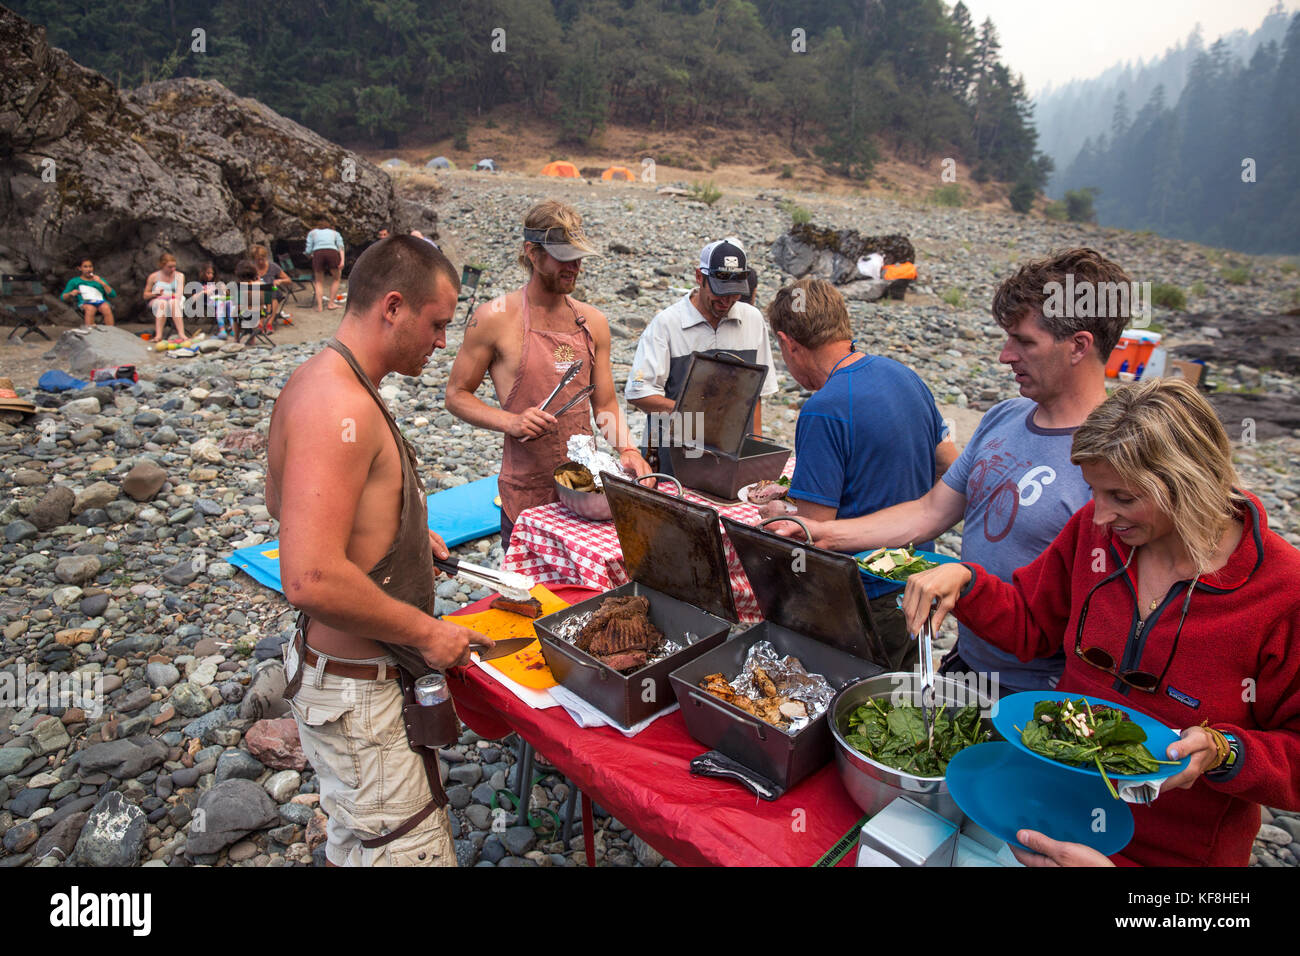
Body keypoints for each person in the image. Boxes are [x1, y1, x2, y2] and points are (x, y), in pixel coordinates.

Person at [901, 378, 1300, 867]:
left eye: (1123, 498)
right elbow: (1031, 625)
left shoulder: (1283, 593)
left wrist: (1225, 751)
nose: (1102, 514)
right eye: (1094, 491)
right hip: (1053, 816)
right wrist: (966, 583)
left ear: (1191, 483)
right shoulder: (1096, 536)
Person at [777, 248, 1132, 694]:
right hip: (965, 661)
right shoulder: (1004, 418)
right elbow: (930, 511)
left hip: (1038, 692)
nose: (1005, 356)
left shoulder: (1120, 462)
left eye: (1024, 341)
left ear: (1078, 345)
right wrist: (821, 534)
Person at [266, 235, 486, 867]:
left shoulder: (313, 378)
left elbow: (288, 507)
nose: (442, 342)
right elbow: (307, 576)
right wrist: (425, 632)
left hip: (335, 684)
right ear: (393, 307)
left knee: (354, 839)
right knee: (402, 849)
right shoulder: (343, 405)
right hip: (361, 695)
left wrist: (400, 536)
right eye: (437, 323)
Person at [761, 278, 957, 670]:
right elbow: (951, 466)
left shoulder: (823, 409)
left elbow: (813, 532)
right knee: (898, 709)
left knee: (847, 708)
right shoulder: (904, 376)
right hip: (920, 582)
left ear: (789, 344)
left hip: (862, 594)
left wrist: (777, 513)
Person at [446, 199, 652, 547]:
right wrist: (509, 422)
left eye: (578, 256)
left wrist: (628, 449)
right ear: (532, 252)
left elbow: (605, 406)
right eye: (564, 257)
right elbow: (456, 395)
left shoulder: (593, 323)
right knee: (527, 597)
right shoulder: (494, 318)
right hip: (524, 496)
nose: (575, 266)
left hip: (584, 494)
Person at [624, 238, 778, 473]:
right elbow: (638, 392)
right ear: (699, 277)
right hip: (675, 459)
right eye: (719, 292)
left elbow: (757, 394)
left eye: (734, 293)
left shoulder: (753, 320)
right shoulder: (667, 324)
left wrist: (754, 450)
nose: (726, 301)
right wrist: (697, 418)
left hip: (731, 458)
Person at [142, 253, 187, 341]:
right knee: (162, 303)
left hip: (175, 299)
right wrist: (155, 293)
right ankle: (158, 335)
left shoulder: (180, 276)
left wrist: (168, 295)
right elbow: (145, 295)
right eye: (170, 267)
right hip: (158, 300)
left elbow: (179, 293)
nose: (173, 269)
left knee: (173, 302)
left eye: (174, 266)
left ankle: (181, 334)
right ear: (162, 265)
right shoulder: (153, 277)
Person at [60, 258, 116, 326]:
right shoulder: (74, 281)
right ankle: (90, 331)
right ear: (80, 268)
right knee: (90, 308)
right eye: (85, 267)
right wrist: (70, 293)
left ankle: (110, 332)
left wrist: (102, 283)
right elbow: (63, 297)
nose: (88, 269)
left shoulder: (99, 280)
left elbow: (113, 295)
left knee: (106, 308)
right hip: (85, 303)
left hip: (100, 301)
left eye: (90, 266)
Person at [305, 218, 345, 311]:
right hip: (332, 252)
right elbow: (341, 246)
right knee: (336, 278)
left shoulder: (312, 233)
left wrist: (310, 255)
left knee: (318, 281)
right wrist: (342, 260)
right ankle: (331, 303)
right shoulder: (335, 233)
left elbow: (308, 249)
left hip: (318, 253)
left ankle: (319, 306)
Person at [250, 245, 293, 327]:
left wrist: (280, 281)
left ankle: (270, 321)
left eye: (262, 259)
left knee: (273, 293)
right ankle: (261, 322)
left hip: (272, 290)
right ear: (254, 260)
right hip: (257, 292)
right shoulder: (251, 268)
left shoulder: (272, 266)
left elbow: (289, 280)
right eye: (257, 260)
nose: (260, 262)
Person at [195, 262, 234, 338]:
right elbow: (194, 298)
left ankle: (234, 328)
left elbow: (227, 294)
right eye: (208, 273)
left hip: (220, 300)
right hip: (208, 302)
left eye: (212, 273)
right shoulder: (199, 284)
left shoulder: (217, 282)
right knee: (220, 303)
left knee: (230, 302)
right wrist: (203, 292)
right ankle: (222, 329)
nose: (210, 275)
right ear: (203, 273)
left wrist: (224, 290)